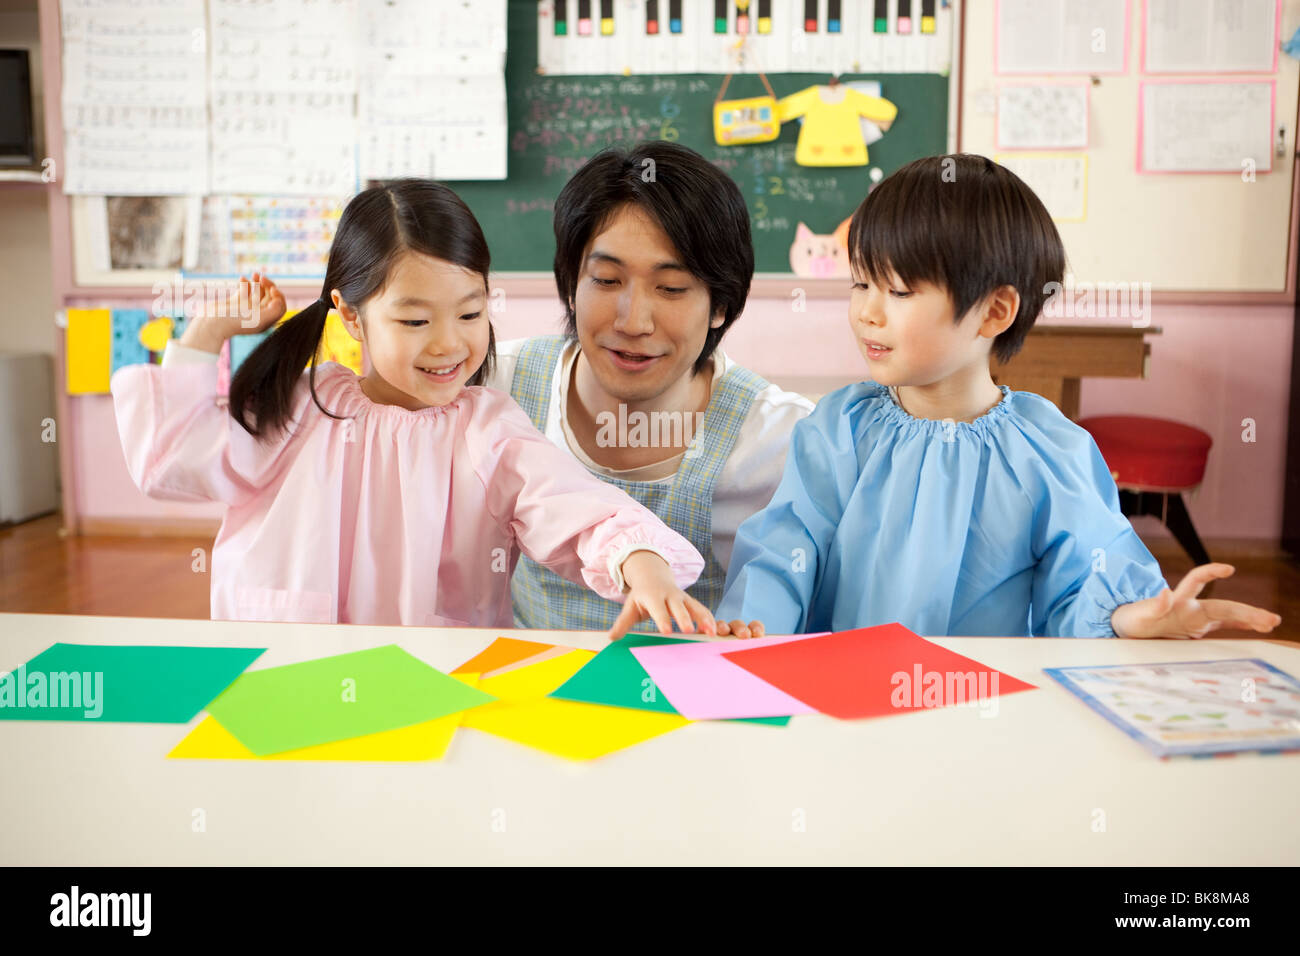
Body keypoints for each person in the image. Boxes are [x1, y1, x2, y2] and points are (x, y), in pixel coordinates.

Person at [111, 179, 716, 639]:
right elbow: (170, 458)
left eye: (470, 314)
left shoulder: (485, 428)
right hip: (290, 673)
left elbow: (572, 506)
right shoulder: (301, 405)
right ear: (351, 314)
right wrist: (207, 334)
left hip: (435, 684)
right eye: (414, 320)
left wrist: (642, 562)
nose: (449, 343)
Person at [715, 154, 1282, 640]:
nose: (867, 310)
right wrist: (752, 629)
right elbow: (786, 551)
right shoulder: (839, 429)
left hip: (984, 716)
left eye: (900, 290)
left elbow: (1092, 573)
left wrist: (1134, 618)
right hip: (842, 710)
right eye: (861, 283)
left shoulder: (1050, 450)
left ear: (995, 310)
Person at [489, 142, 813, 633]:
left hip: (693, 702)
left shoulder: (781, 439)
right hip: (531, 693)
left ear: (721, 305)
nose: (633, 321)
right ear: (571, 285)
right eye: (605, 279)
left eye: (671, 288)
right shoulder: (498, 386)